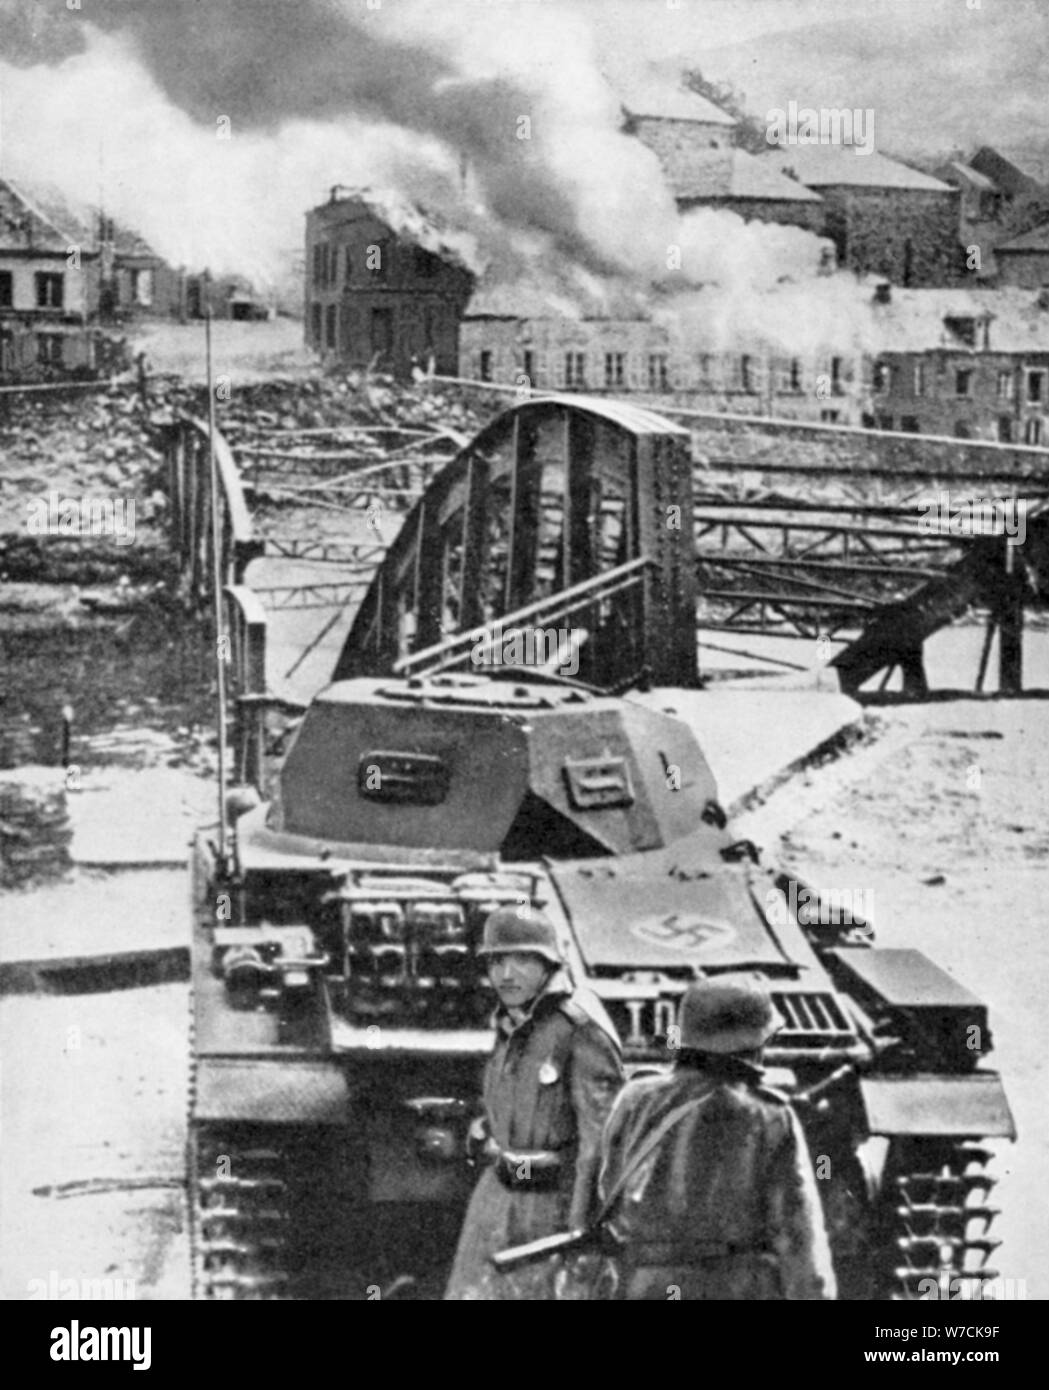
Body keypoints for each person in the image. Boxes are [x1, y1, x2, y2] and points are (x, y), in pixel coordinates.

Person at [597, 972, 836, 1300]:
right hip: (734, 1288)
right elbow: (796, 1236)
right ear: (755, 1044)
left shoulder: (636, 1098)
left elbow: (609, 1190)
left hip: (647, 1286)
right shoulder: (769, 1116)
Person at [444, 905, 624, 1300]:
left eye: (522, 960)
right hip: (497, 1197)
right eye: (496, 961)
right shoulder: (510, 1023)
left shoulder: (578, 1029)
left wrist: (583, 1229)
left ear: (548, 964)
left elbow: (602, 1139)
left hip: (552, 1209)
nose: (506, 974)